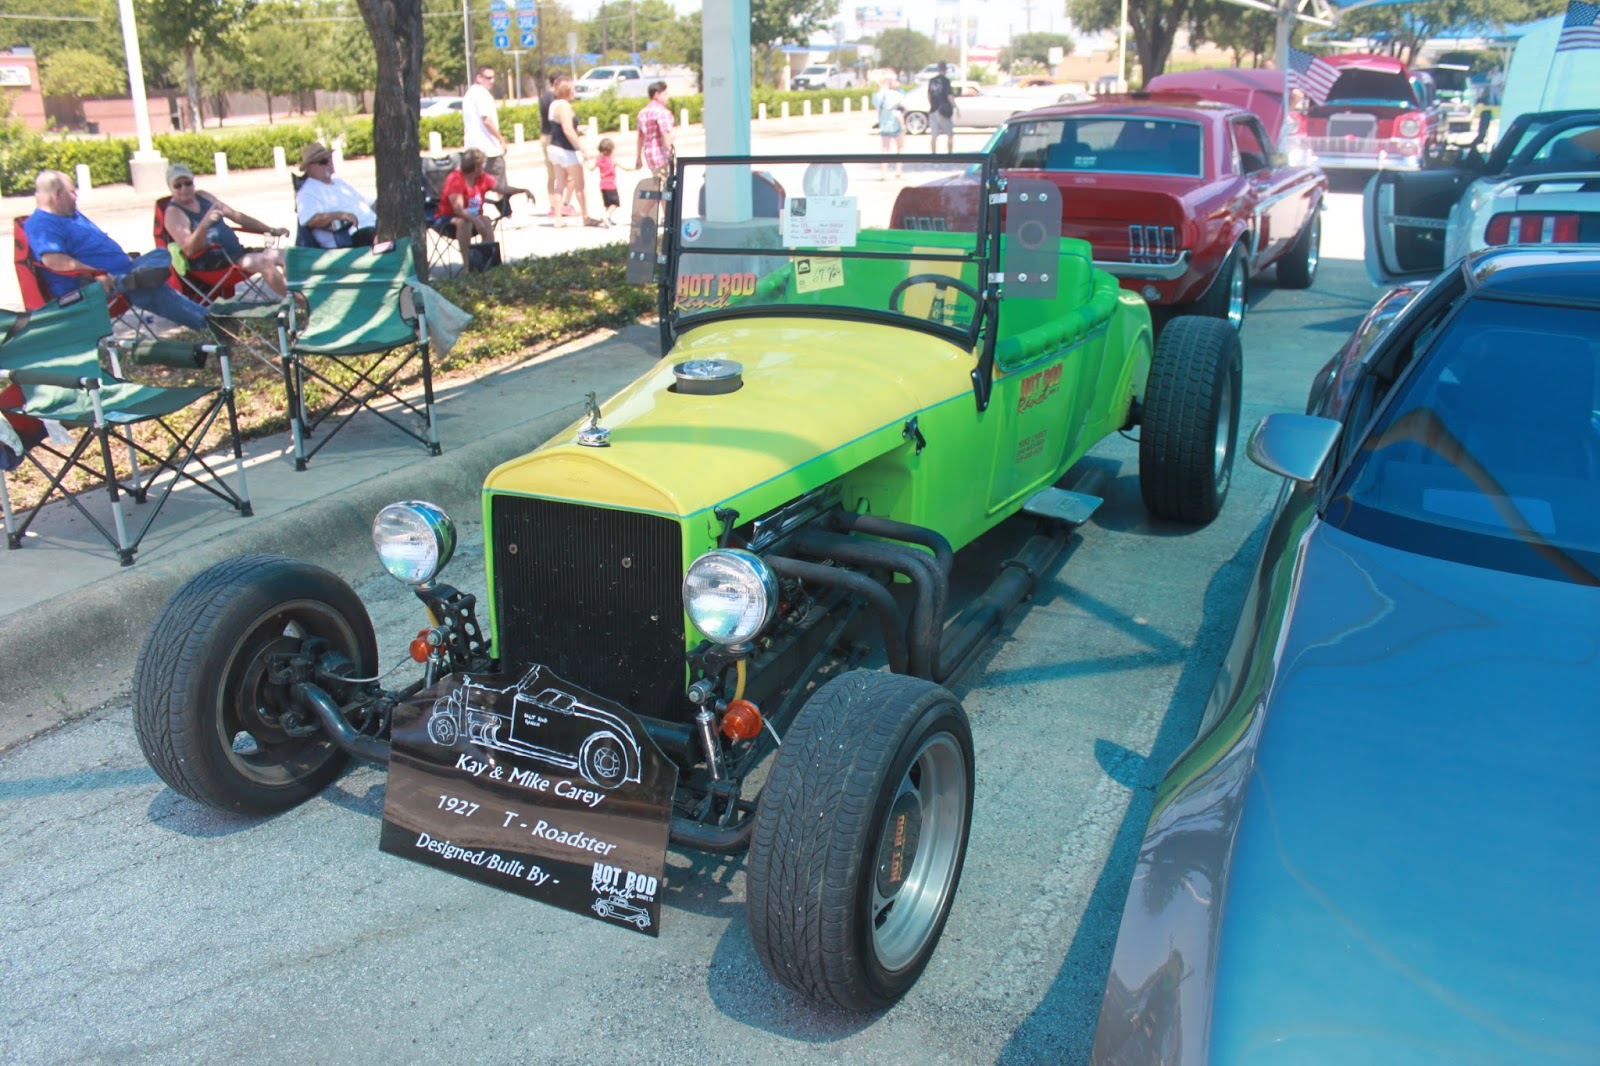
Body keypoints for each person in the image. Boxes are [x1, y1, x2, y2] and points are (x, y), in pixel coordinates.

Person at [24, 170, 209, 331]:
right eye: (72, 192)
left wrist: (122, 259)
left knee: (161, 254)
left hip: (119, 272)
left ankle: (137, 276)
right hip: (90, 286)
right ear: (57, 194)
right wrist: (97, 273)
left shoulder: (70, 215)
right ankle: (209, 321)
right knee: (146, 288)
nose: (76, 197)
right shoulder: (42, 224)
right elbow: (54, 261)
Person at [162, 163, 289, 297]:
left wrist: (271, 229)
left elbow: (237, 216)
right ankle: (298, 302)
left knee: (287, 255)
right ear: (170, 187)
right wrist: (203, 225)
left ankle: (295, 298)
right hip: (213, 264)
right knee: (264, 262)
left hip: (237, 253)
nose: (184, 188)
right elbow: (189, 250)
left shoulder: (203, 196)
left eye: (188, 183)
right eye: (178, 185)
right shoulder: (173, 213)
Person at [463, 64, 533, 207]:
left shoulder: (470, 93)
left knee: (474, 183)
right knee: (500, 182)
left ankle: (473, 211)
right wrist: (501, 139)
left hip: (473, 147)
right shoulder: (482, 94)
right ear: (478, 78)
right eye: (488, 78)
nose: (492, 81)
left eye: (493, 77)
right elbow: (487, 120)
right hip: (488, 148)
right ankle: (505, 211)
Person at [295, 142, 377, 248]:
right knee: (384, 235)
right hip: (350, 237)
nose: (330, 162)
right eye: (323, 161)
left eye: (330, 158)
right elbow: (310, 220)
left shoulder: (340, 183)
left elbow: (365, 202)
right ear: (309, 167)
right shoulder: (307, 191)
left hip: (372, 226)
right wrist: (338, 215)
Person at [548, 76, 602, 227]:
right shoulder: (564, 106)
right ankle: (586, 216)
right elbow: (567, 130)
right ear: (567, 91)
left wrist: (578, 128)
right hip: (566, 150)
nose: (574, 92)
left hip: (554, 147)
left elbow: (558, 127)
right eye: (572, 89)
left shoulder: (553, 105)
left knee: (560, 184)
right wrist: (582, 149)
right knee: (579, 185)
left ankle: (558, 218)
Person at [436, 147, 499, 267]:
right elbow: (458, 209)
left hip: (474, 217)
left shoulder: (481, 177)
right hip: (449, 217)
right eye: (481, 165)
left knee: (486, 220)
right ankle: (468, 266)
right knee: (465, 223)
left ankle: (488, 264)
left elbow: (501, 188)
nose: (483, 168)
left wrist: (523, 190)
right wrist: (476, 221)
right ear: (476, 168)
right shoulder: (455, 179)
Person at [538, 73, 570, 218]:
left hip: (545, 135)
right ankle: (559, 205)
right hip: (553, 137)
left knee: (552, 174)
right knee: (560, 174)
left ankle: (555, 205)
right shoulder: (554, 99)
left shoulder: (544, 97)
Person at [634, 80, 675, 184]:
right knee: (664, 186)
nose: (667, 97)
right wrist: (672, 155)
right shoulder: (661, 112)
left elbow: (640, 137)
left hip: (650, 155)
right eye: (665, 94)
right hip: (661, 155)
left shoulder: (643, 112)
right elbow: (665, 134)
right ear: (657, 95)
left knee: (657, 183)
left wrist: (638, 157)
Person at [587, 138, 633, 226]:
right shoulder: (612, 160)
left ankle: (608, 219)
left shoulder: (598, 160)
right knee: (614, 203)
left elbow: (590, 168)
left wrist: (585, 162)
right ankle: (606, 215)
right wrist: (634, 168)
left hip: (602, 185)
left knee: (607, 204)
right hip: (611, 185)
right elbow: (625, 168)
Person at [873, 76, 906, 179]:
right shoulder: (896, 94)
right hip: (896, 124)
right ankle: (898, 171)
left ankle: (883, 173)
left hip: (884, 124)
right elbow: (903, 108)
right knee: (900, 148)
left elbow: (877, 109)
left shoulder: (876, 96)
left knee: (885, 149)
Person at [926, 62, 956, 154]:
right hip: (943, 110)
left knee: (934, 135)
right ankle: (949, 154)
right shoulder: (946, 81)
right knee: (950, 134)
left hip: (933, 110)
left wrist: (932, 104)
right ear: (945, 70)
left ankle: (933, 154)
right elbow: (949, 96)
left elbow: (929, 95)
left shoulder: (932, 81)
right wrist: (955, 106)